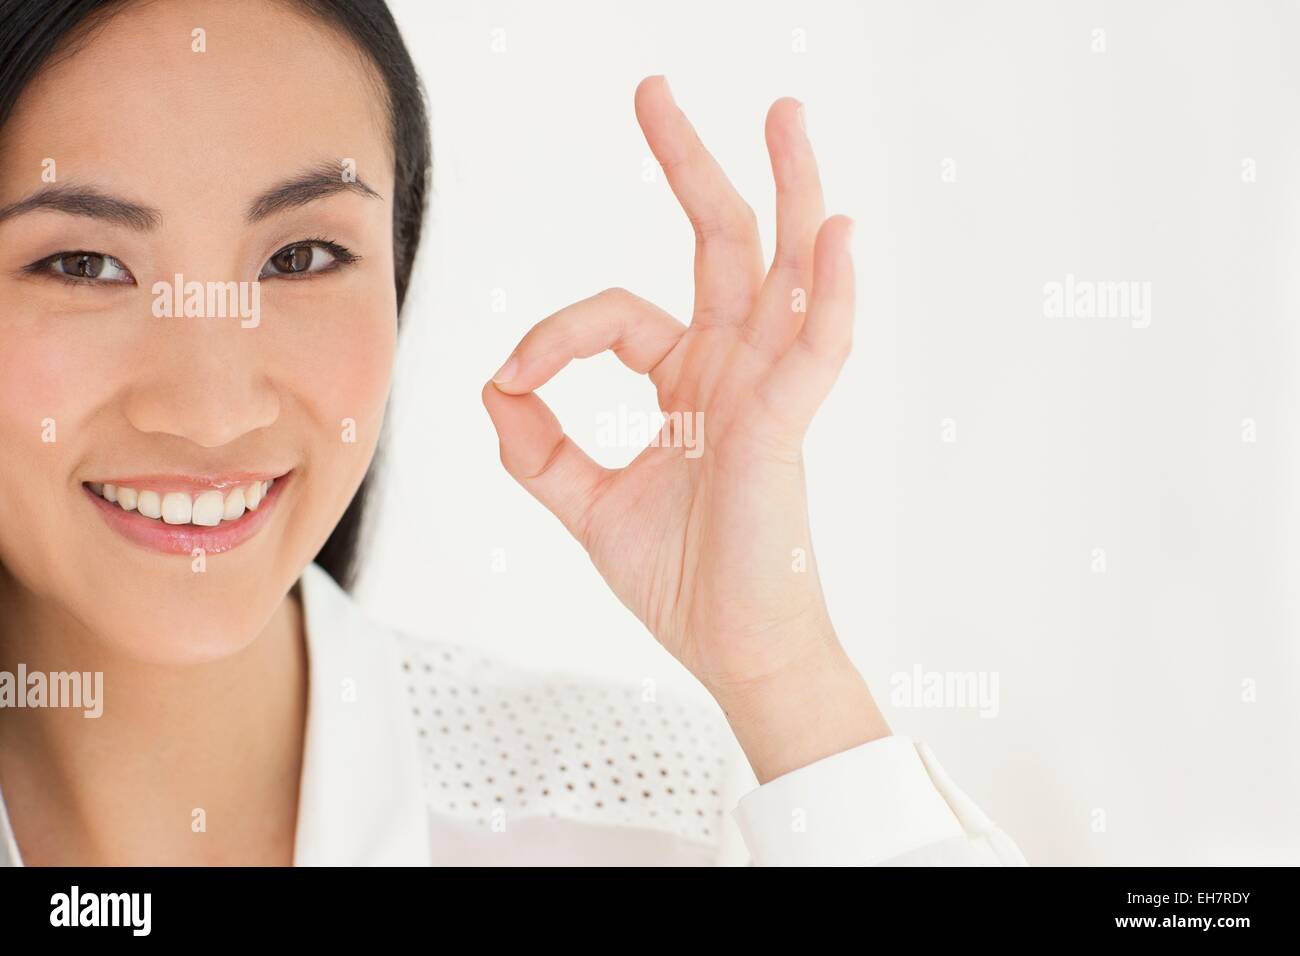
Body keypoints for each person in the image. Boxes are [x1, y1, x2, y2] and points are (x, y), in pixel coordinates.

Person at [0, 0, 1024, 866]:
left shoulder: (644, 820)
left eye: (302, 256)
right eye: (82, 265)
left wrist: (784, 676)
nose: (215, 407)